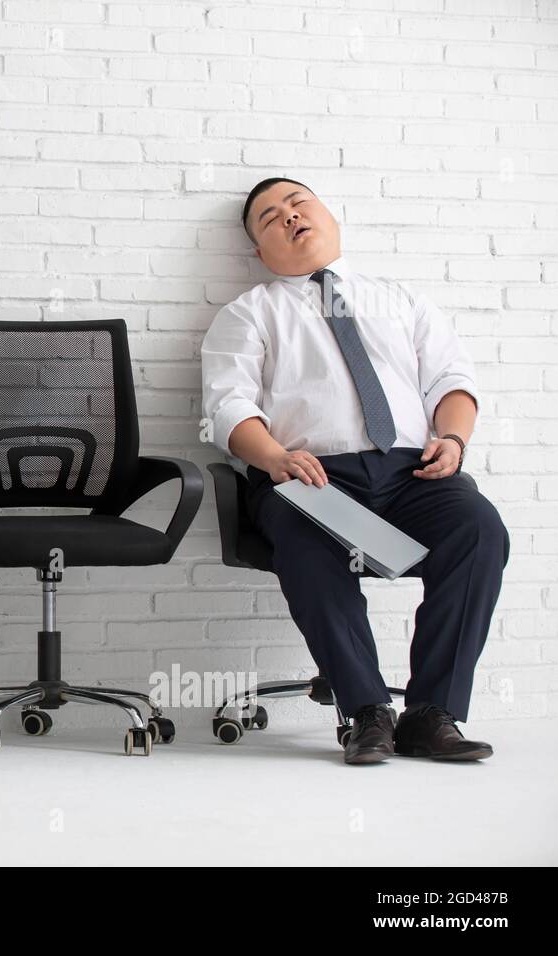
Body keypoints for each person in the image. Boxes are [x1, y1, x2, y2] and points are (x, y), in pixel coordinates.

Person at [201, 177, 509, 765]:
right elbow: (228, 405)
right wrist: (274, 458)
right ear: (261, 251)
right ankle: (367, 712)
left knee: (479, 530)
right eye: (270, 218)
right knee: (306, 537)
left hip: (410, 472)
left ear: (329, 217)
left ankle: (429, 714)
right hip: (309, 476)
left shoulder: (400, 299)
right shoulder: (250, 313)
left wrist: (451, 439)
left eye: (298, 204)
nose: (289, 217)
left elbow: (452, 381)